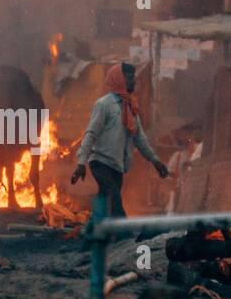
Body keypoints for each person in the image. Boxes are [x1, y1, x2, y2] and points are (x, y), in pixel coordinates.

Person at [70, 62, 168, 218]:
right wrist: (81, 162)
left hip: (118, 165)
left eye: (133, 78)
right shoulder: (103, 105)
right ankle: (125, 234)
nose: (134, 82)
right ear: (119, 79)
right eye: (130, 78)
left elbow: (140, 139)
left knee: (105, 200)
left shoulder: (131, 107)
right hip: (100, 162)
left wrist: (156, 161)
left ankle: (98, 233)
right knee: (114, 198)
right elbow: (91, 134)